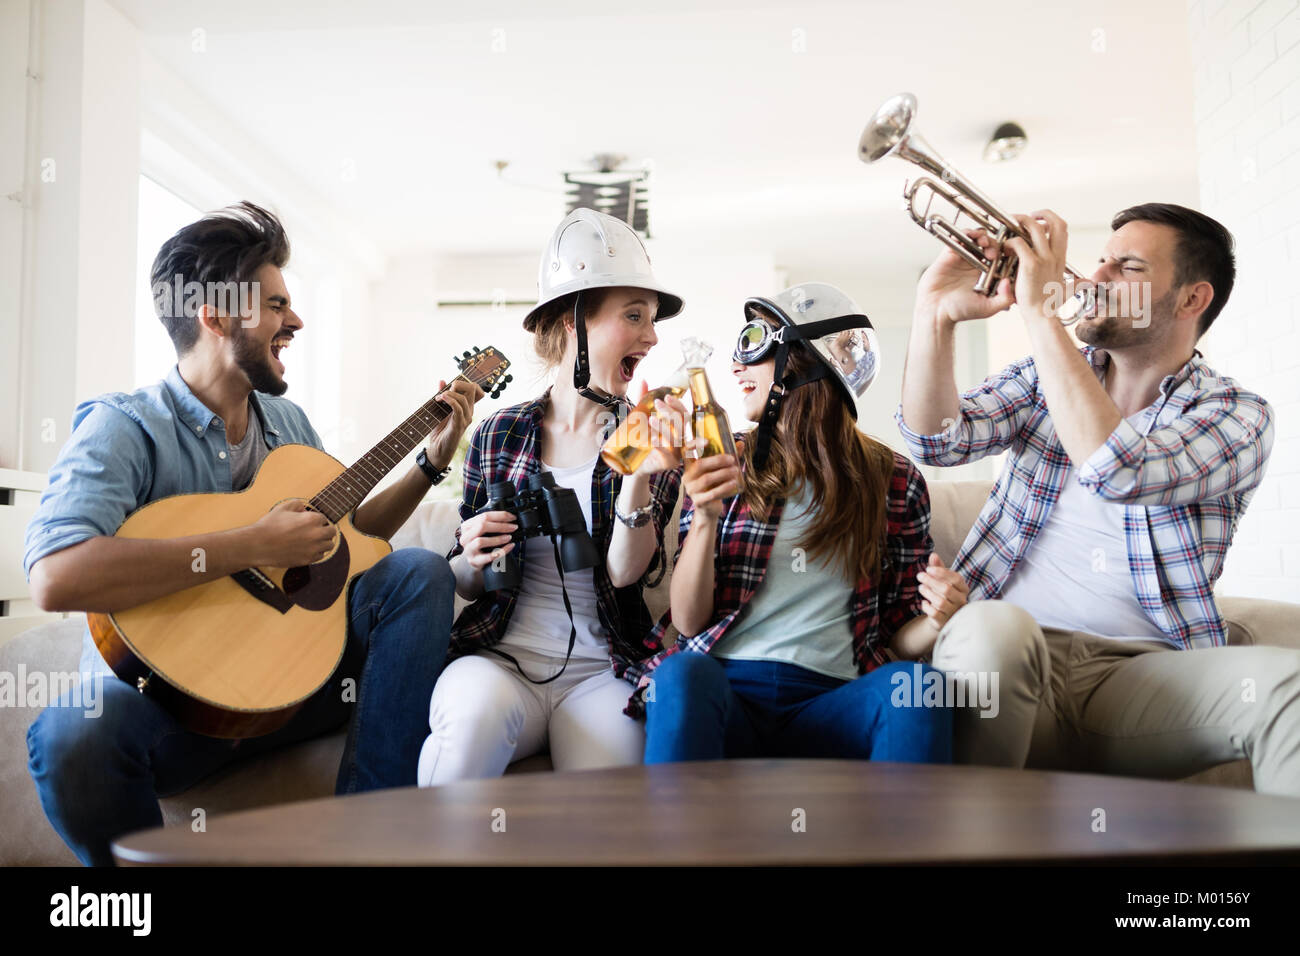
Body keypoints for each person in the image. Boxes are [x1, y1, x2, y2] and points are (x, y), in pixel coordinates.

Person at [24, 202, 482, 865]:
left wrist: (430, 463)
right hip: (174, 711)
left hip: (299, 689)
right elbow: (55, 576)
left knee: (419, 570)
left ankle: (374, 841)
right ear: (214, 317)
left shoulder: (288, 425)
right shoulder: (124, 428)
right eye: (276, 305)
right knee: (70, 736)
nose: (295, 321)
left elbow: (352, 540)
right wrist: (252, 545)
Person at [896, 202, 1298, 794]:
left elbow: (1119, 469)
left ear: (1191, 300)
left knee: (1292, 689)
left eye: (1127, 267)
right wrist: (934, 314)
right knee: (995, 628)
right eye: (1102, 260)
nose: (1095, 276)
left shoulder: (1236, 414)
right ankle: (977, 838)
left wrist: (1041, 315)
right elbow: (936, 440)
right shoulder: (1042, 375)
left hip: (1140, 682)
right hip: (1007, 660)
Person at [632, 282, 962, 764]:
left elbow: (897, 633)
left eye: (753, 343)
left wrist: (937, 618)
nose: (736, 365)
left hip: (834, 704)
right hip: (728, 693)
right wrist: (704, 517)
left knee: (916, 687)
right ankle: (679, 818)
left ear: (805, 359)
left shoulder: (893, 479)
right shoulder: (725, 459)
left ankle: (898, 819)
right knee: (679, 675)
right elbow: (687, 622)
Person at [417, 208, 685, 784]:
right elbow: (465, 581)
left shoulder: (645, 433)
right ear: (573, 321)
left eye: (653, 318)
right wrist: (471, 553)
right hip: (500, 661)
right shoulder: (499, 431)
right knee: (468, 728)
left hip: (600, 671)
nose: (652, 335)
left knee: (607, 795)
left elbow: (624, 574)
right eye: (634, 315)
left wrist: (637, 474)